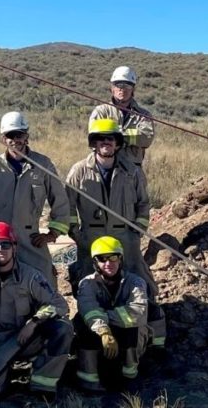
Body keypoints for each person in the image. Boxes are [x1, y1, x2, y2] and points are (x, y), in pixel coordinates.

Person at [65, 118, 167, 349]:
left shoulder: (132, 171)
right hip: (91, 241)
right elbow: (67, 205)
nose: (106, 143)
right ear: (93, 142)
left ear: (118, 143)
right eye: (100, 138)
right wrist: (77, 235)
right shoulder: (79, 171)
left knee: (141, 285)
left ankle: (155, 341)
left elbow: (143, 203)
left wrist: (136, 231)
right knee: (88, 287)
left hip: (125, 240)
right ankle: (90, 340)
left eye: (110, 139)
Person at [0, 222, 73, 404]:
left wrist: (34, 322)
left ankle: (42, 385)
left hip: (23, 337)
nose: (0, 250)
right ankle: (3, 374)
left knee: (63, 327)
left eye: (5, 244)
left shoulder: (30, 276)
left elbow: (58, 303)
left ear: (14, 247)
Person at [0, 111, 71, 284]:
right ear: (3, 138)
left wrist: (52, 234)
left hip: (31, 241)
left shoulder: (43, 165)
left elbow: (60, 201)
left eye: (20, 135)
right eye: (11, 135)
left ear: (27, 136)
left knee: (44, 282)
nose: (15, 140)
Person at [72, 236, 153, 394]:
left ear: (120, 259)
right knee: (82, 323)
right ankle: (89, 380)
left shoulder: (136, 282)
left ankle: (129, 376)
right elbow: (88, 309)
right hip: (99, 333)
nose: (108, 263)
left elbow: (138, 312)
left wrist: (105, 319)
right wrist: (104, 331)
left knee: (137, 328)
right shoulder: (87, 283)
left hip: (126, 332)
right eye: (102, 259)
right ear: (95, 262)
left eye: (113, 257)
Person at [89, 66, 155, 168]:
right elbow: (94, 137)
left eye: (127, 85)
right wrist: (132, 136)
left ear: (133, 89)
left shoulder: (144, 115)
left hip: (133, 170)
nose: (122, 89)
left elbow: (146, 138)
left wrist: (116, 135)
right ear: (112, 88)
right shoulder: (101, 112)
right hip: (104, 167)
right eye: (118, 84)